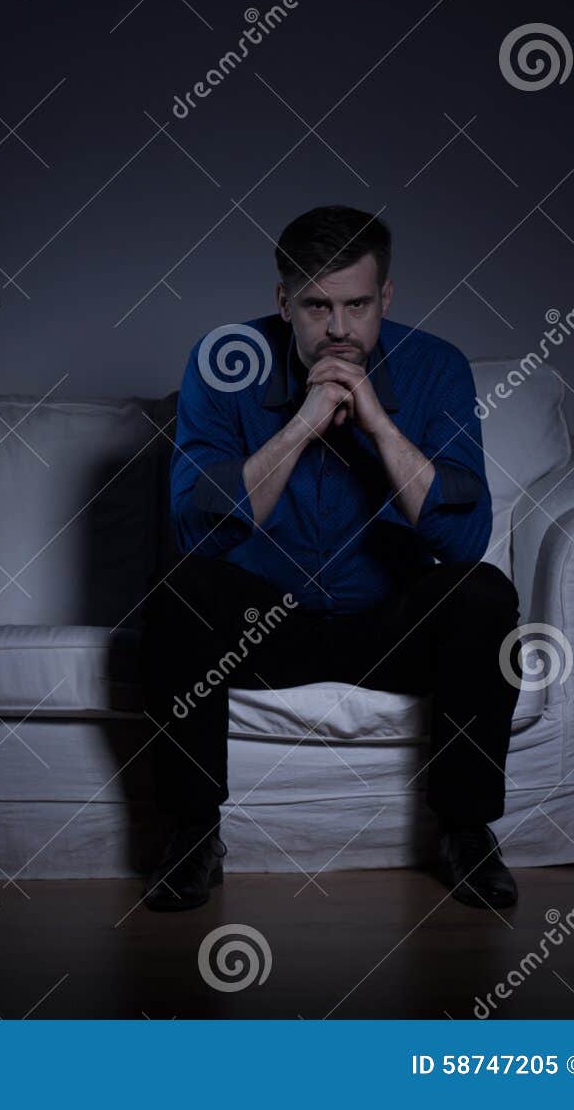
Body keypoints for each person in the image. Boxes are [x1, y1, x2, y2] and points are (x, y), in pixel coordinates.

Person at [139, 205, 523, 912]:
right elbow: (199, 534)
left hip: (387, 625)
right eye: (317, 305)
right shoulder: (222, 365)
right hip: (264, 626)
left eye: (357, 305)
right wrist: (302, 425)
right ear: (284, 301)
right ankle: (193, 833)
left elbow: (461, 542)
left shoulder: (437, 367)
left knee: (483, 593)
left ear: (387, 298)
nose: (339, 328)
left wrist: (375, 421)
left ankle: (467, 833)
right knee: (180, 591)